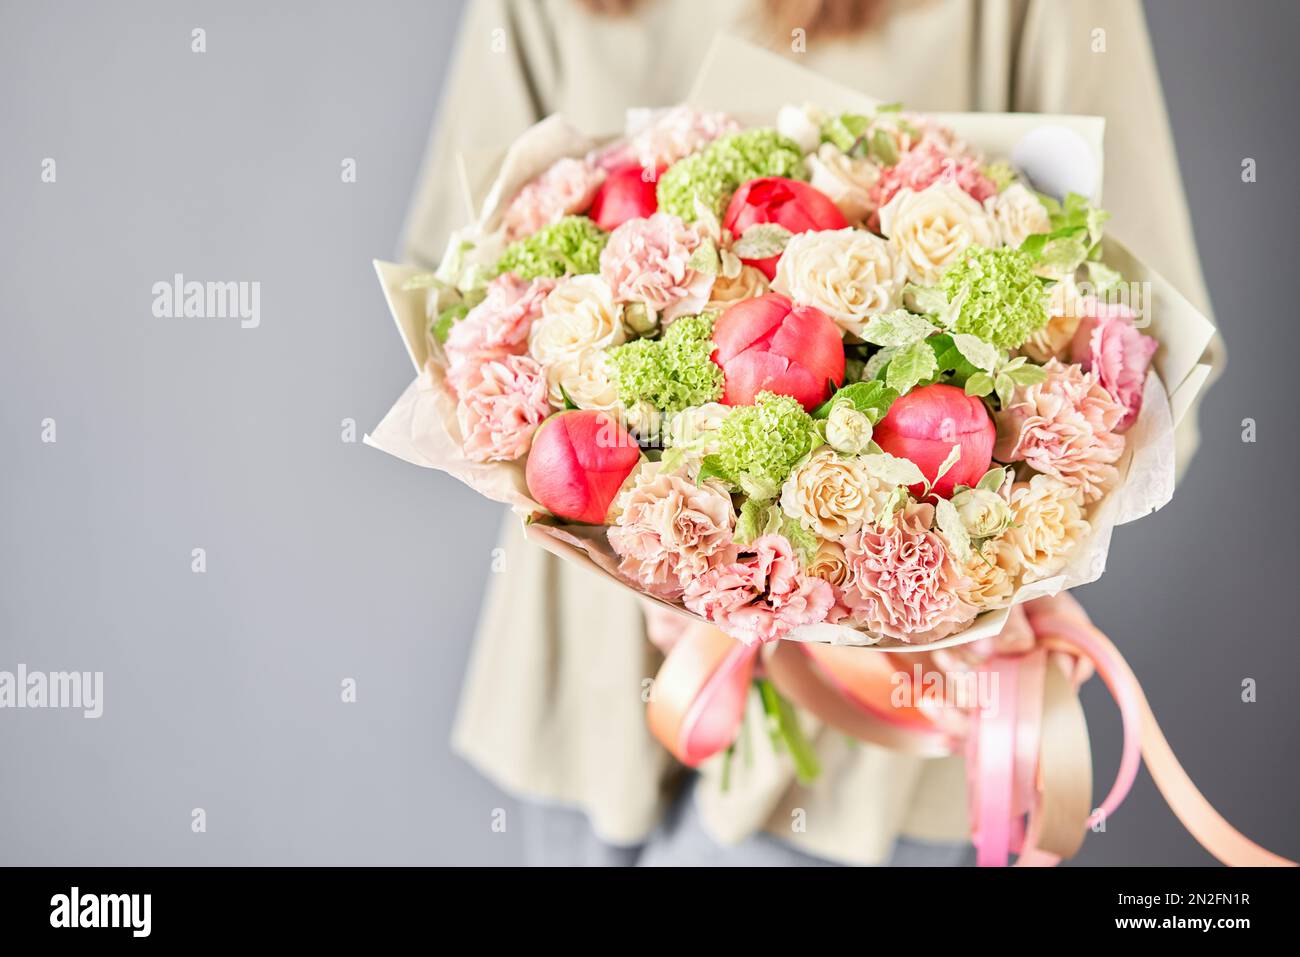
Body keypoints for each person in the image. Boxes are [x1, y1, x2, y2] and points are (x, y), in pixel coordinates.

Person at [400, 0, 1217, 866]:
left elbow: (1150, 349)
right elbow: (452, 271)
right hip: (580, 687)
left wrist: (975, 540)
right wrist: (658, 552)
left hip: (868, 728)